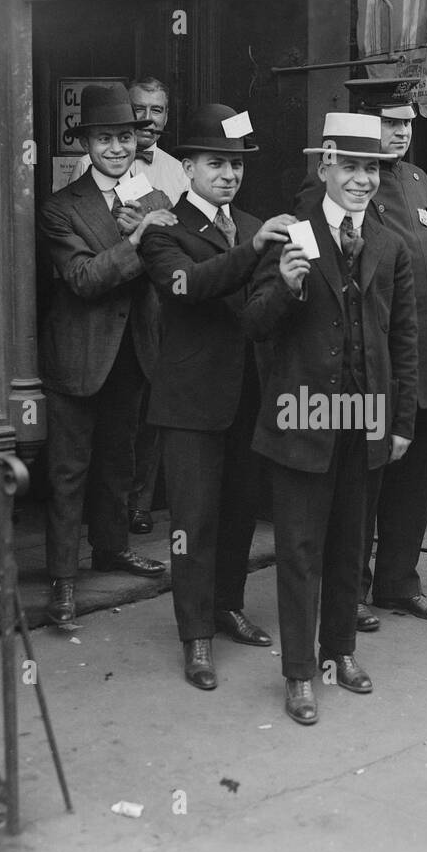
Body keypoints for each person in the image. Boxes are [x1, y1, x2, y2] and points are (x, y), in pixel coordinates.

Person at [244, 112, 418, 725]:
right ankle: (298, 674)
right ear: (325, 169)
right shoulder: (293, 234)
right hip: (301, 417)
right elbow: (255, 324)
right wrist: (286, 288)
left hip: (363, 417)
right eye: (350, 167)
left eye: (371, 169)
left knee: (351, 544)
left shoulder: (389, 243)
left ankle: (339, 651)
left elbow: (403, 337)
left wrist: (401, 422)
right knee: (298, 549)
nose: (362, 180)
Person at [139, 104, 294, 689]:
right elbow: (190, 287)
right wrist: (256, 253)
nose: (228, 174)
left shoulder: (253, 224)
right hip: (190, 402)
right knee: (193, 522)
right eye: (215, 163)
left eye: (235, 164)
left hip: (249, 396)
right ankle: (195, 635)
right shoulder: (163, 231)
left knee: (238, 515)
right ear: (188, 168)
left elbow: (263, 310)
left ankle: (228, 606)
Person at [38, 83, 173, 627]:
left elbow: (172, 267)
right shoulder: (59, 208)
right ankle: (63, 579)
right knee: (69, 472)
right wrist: (140, 240)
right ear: (85, 143)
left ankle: (111, 549)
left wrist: (151, 232)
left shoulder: (157, 198)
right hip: (78, 355)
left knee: (121, 463)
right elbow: (84, 278)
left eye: (124, 137)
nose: (115, 148)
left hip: (134, 351)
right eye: (103, 138)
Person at [341, 77, 427, 631]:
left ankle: (398, 582)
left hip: (423, 355)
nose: (402, 132)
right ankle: (350, 588)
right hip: (376, 359)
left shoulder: (416, 178)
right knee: (367, 477)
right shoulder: (349, 182)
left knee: (415, 481)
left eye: (407, 123)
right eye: (390, 123)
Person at [69, 77, 190, 534]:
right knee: (109, 417)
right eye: (139, 111)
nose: (147, 122)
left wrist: (153, 228)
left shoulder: (175, 171)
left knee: (152, 405)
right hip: (108, 305)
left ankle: (138, 502)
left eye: (157, 111)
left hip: (158, 304)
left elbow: (183, 234)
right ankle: (104, 513)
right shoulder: (92, 164)